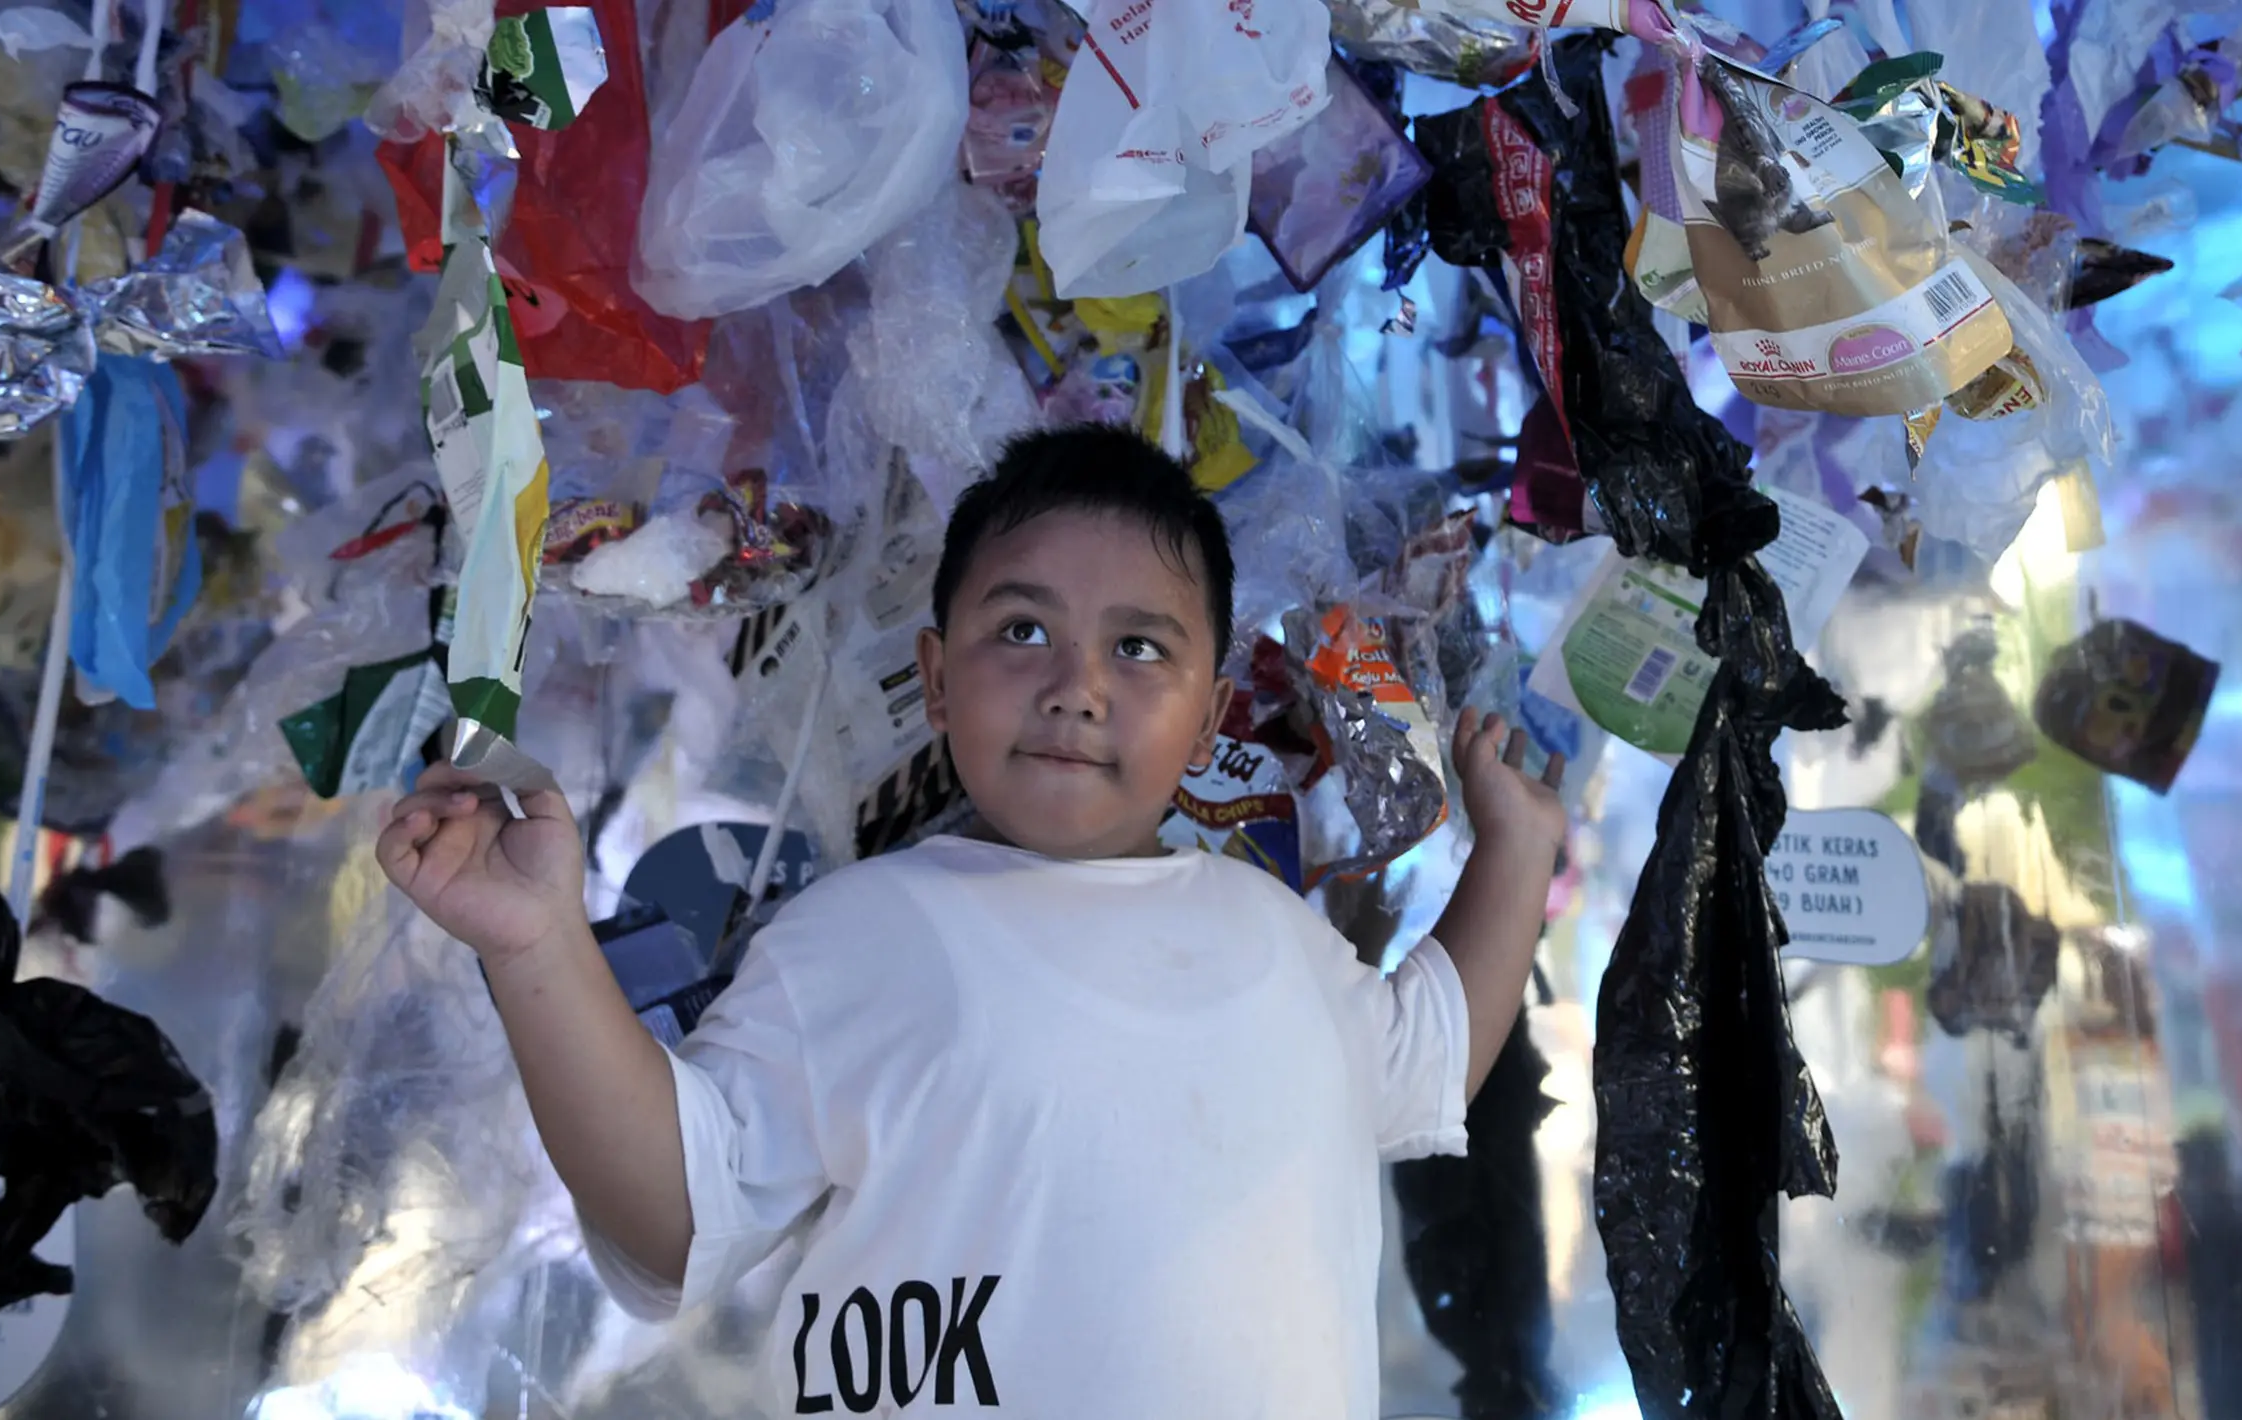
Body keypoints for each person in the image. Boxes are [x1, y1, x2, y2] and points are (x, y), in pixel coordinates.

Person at [376, 423, 1568, 1418]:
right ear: (937, 679)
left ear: (1209, 720)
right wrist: (536, 941)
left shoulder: (1277, 936)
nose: (1076, 685)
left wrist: (1512, 852)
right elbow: (677, 1214)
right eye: (1021, 631)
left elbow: (1424, 1059)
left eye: (1138, 648)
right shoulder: (852, 935)